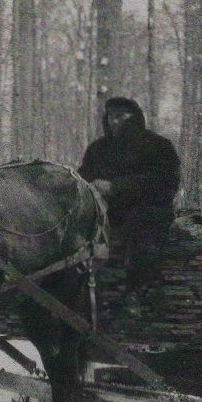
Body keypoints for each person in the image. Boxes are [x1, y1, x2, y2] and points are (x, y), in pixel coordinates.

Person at [79, 97, 181, 316]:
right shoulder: (98, 150)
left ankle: (136, 292)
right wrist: (90, 187)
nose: (114, 122)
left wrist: (116, 187)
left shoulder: (158, 146)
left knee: (143, 236)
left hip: (148, 211)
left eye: (120, 117)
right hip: (107, 213)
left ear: (134, 118)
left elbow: (166, 183)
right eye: (110, 117)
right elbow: (83, 178)